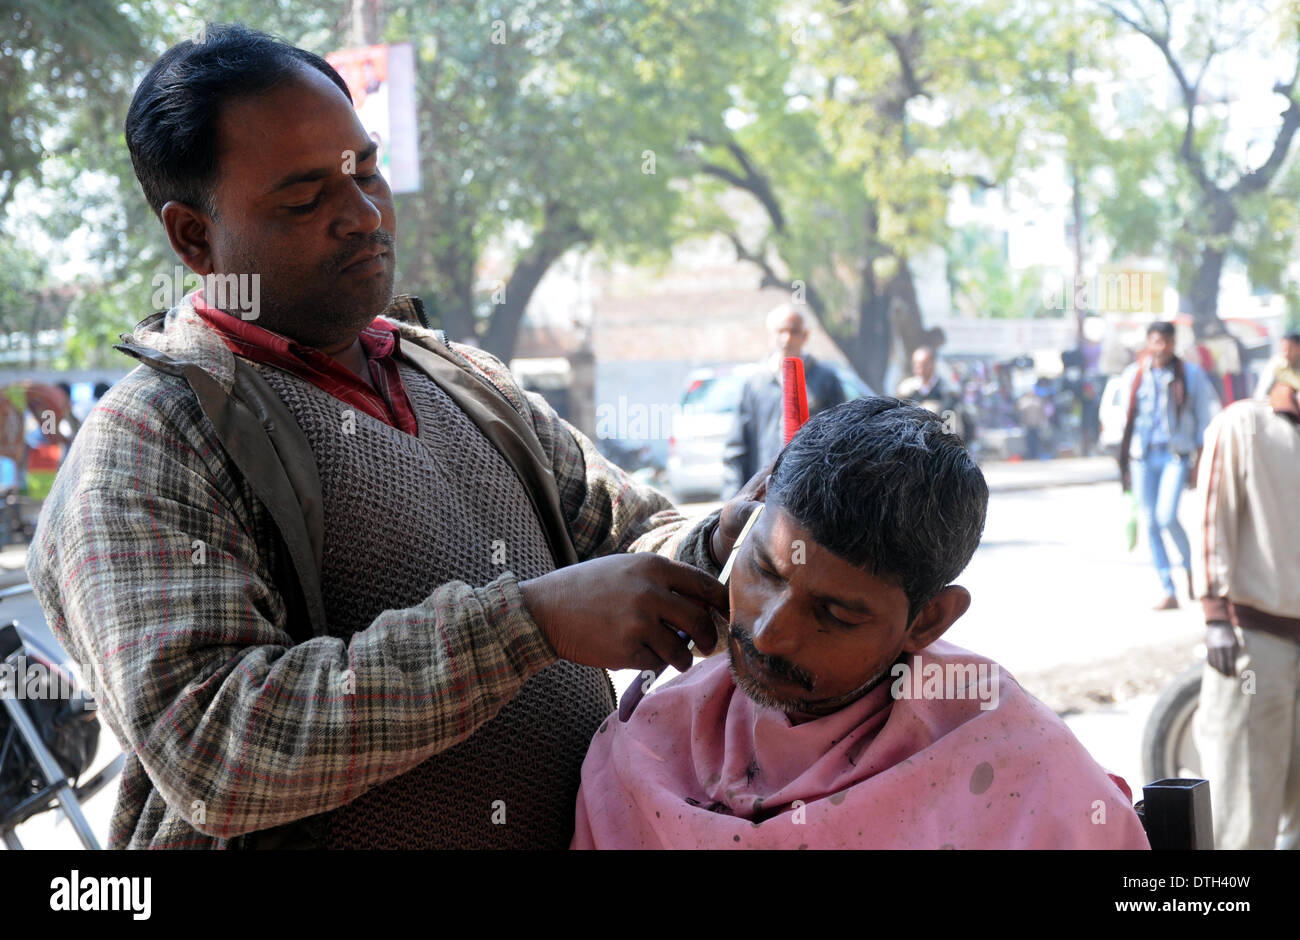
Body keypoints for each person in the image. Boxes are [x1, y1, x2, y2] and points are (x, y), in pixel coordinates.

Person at [25, 25, 759, 849]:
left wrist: (740, 541)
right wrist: (530, 625)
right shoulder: (150, 441)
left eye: (365, 170)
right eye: (306, 199)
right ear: (193, 237)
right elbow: (215, 750)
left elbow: (632, 538)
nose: (363, 215)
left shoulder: (461, 379)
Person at [573, 398, 1149, 849]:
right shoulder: (650, 741)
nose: (770, 633)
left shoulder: (1017, 769)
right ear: (746, 519)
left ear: (928, 620)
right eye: (766, 570)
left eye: (834, 614)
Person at [1192, 381, 1300, 849]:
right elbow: (1212, 515)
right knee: (1246, 808)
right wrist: (1216, 615)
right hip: (1257, 639)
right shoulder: (1245, 425)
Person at [1117, 321, 1220, 610]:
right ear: (1148, 343)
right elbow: (1123, 415)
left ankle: (1190, 569)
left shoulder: (1191, 374)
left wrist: (1202, 456)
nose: (1160, 347)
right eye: (1155, 341)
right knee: (1150, 522)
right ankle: (1168, 588)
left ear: (1173, 344)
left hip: (1176, 455)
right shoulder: (1135, 375)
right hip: (1143, 457)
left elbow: (1205, 415)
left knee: (1166, 517)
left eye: (1165, 342)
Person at [722, 303, 845, 498]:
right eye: (781, 331)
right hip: (764, 489)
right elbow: (737, 447)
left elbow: (841, 439)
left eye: (794, 332)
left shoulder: (825, 380)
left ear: (805, 336)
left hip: (812, 489)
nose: (787, 339)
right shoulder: (755, 383)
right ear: (771, 335)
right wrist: (733, 500)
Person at [1253, 331, 1300, 400]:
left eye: (1290, 349)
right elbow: (1263, 388)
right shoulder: (1277, 363)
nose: (1286, 353)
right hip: (1282, 404)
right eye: (1284, 349)